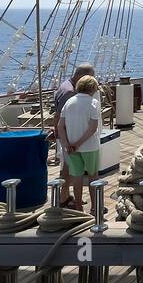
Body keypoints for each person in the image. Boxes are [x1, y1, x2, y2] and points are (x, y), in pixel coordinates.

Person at [58, 75, 103, 211]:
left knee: (77, 178)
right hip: (89, 147)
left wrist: (67, 144)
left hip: (71, 148)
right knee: (93, 177)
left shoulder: (69, 102)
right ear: (93, 88)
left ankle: (78, 207)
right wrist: (79, 143)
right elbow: (93, 128)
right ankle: (95, 207)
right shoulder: (93, 103)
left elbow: (60, 126)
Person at [51, 62, 94, 169]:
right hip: (69, 137)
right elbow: (59, 116)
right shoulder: (70, 92)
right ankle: (65, 185)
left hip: (67, 136)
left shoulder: (66, 84)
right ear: (82, 77)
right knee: (69, 168)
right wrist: (63, 139)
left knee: (69, 167)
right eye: (90, 78)